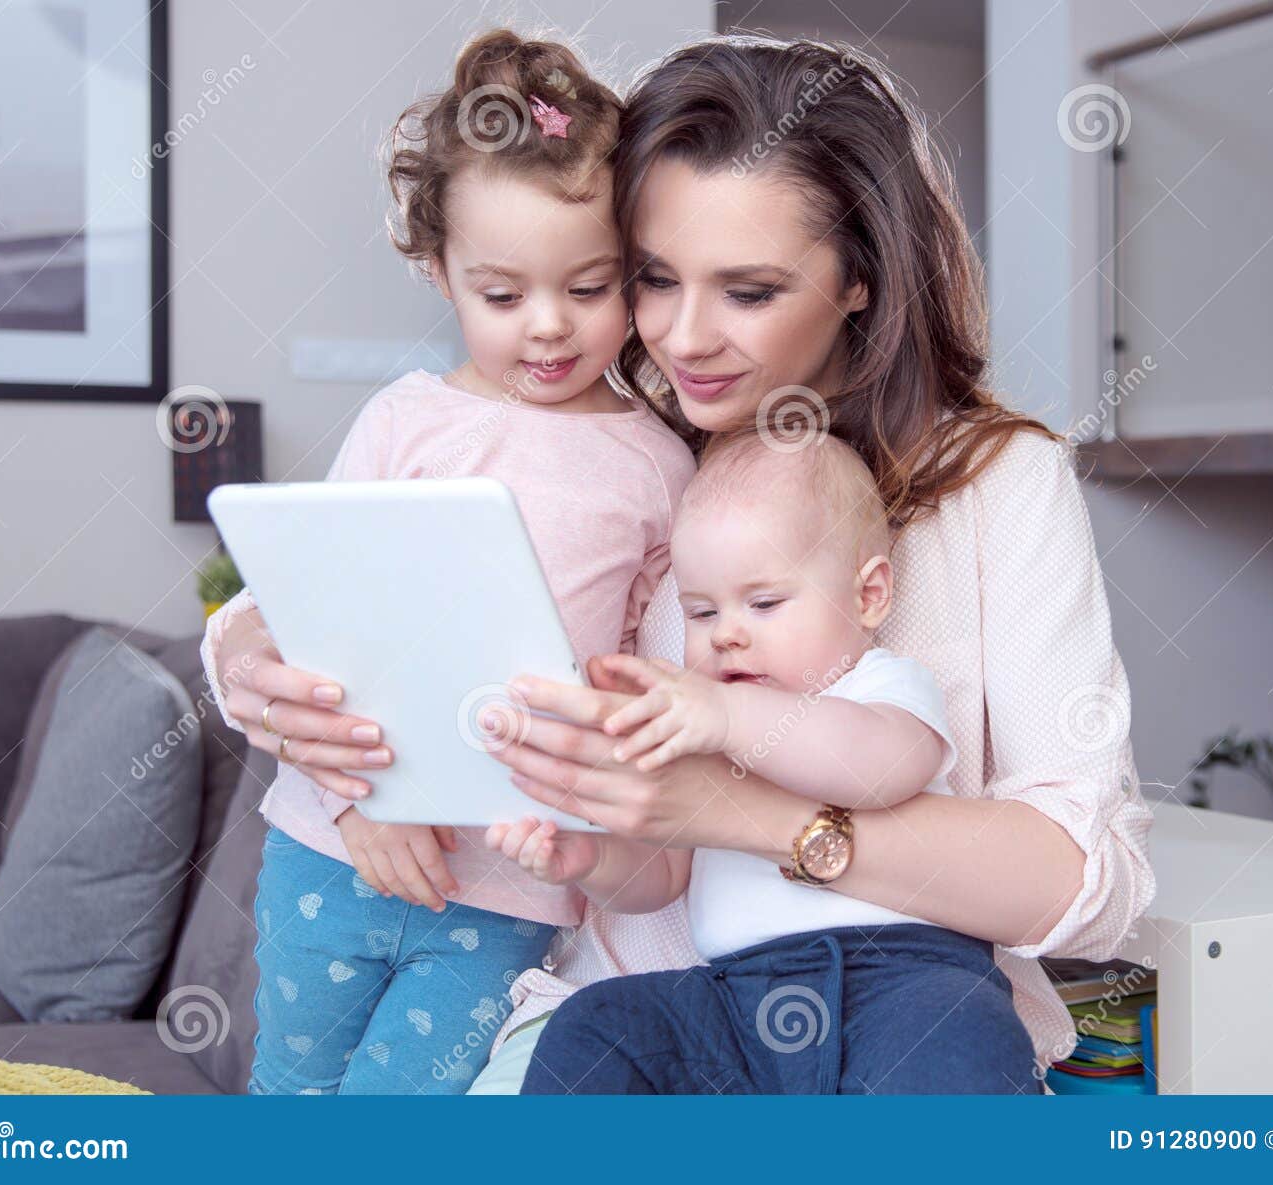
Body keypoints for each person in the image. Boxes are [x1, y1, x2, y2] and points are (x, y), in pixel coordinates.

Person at [206, 34, 1155, 1096]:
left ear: (859, 280)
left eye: (748, 291)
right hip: (608, 1017)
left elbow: (1088, 883)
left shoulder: (997, 483)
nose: (682, 340)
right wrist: (248, 651)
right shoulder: (610, 450)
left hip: (893, 1018)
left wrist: (741, 814)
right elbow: (365, 583)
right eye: (655, 279)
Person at [199, 28, 695, 1095]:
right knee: (289, 1104)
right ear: (437, 272)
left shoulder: (660, 467)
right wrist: (352, 801)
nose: (550, 327)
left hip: (509, 894)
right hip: (331, 856)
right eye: (503, 295)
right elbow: (308, 623)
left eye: (592, 287)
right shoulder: (404, 422)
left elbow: (650, 683)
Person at [485, 430, 1029, 1092]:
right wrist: (593, 860)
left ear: (869, 595)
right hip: (734, 1003)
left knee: (965, 1037)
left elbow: (878, 770)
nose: (726, 633)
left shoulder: (878, 686)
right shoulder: (706, 728)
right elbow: (663, 873)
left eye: (765, 603)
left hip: (902, 980)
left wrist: (727, 717)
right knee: (597, 1025)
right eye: (701, 610)